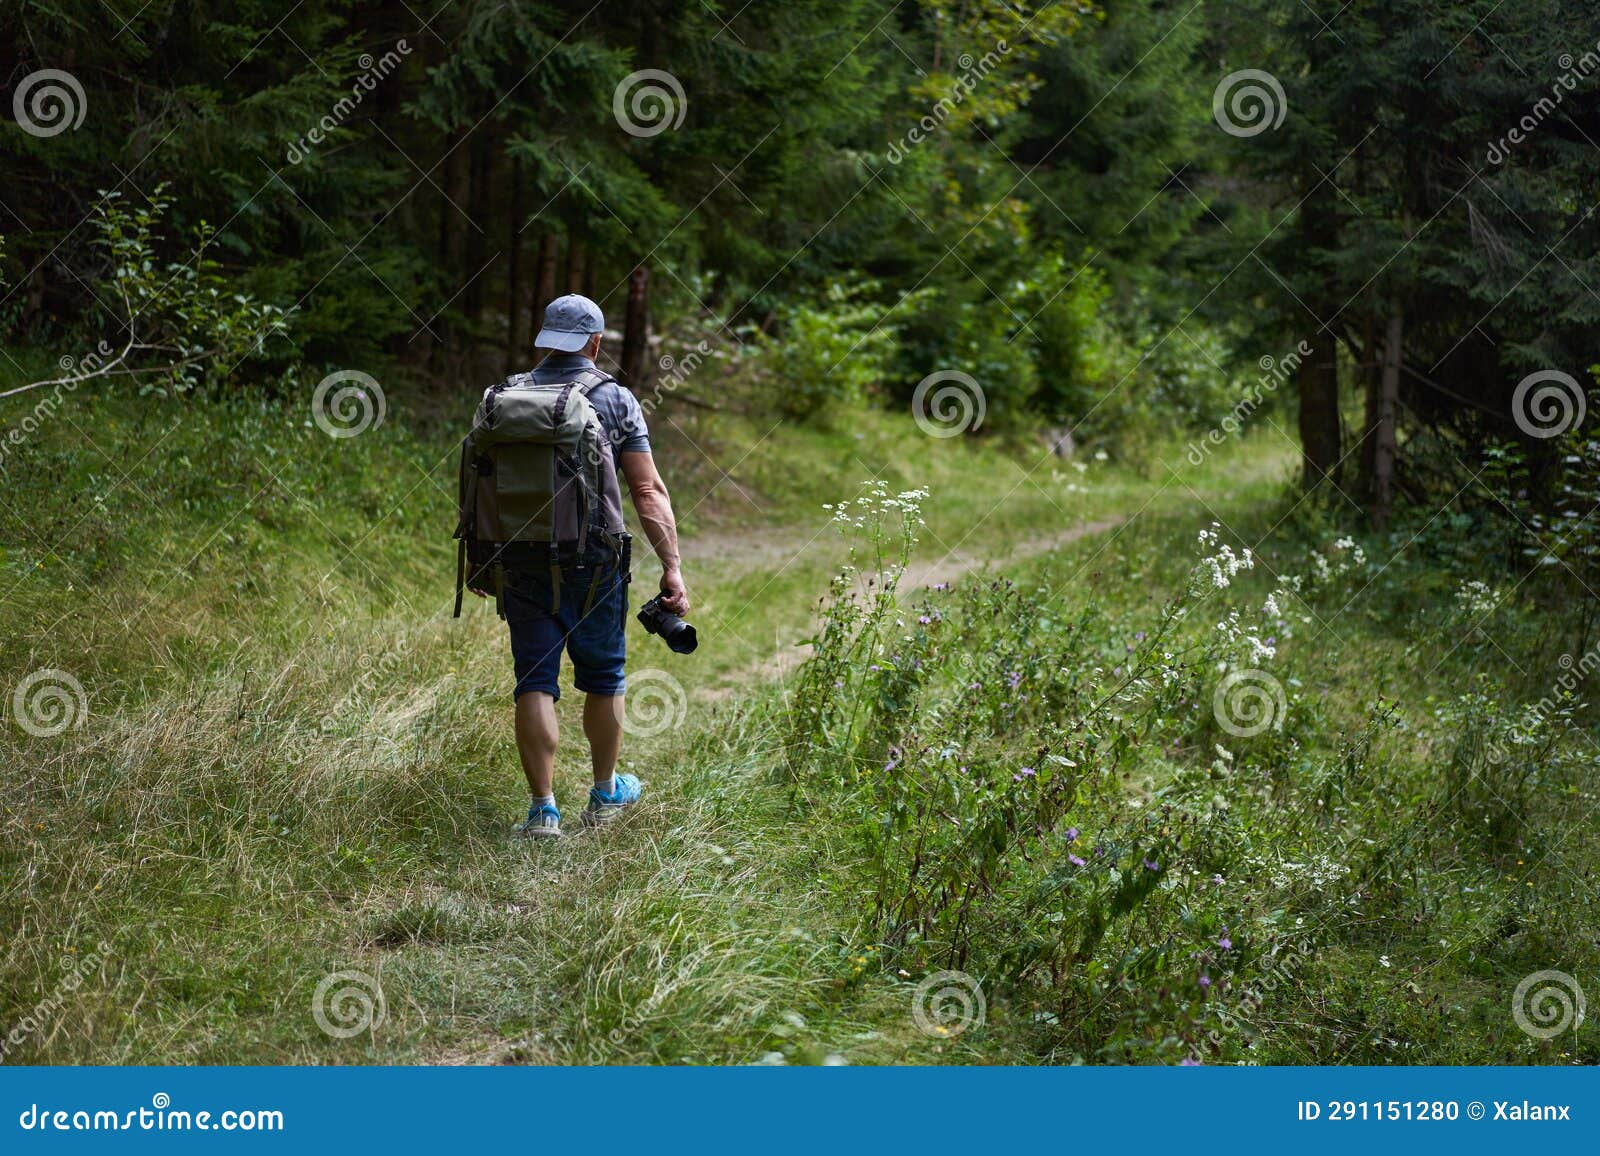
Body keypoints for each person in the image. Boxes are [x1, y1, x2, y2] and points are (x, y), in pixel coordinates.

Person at [492, 293, 690, 840]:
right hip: (594, 561)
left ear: (546, 340)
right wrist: (672, 567)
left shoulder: (507, 394)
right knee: (604, 677)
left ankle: (542, 810)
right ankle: (603, 796)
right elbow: (646, 490)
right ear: (596, 343)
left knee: (534, 678)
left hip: (521, 557)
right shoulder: (616, 399)